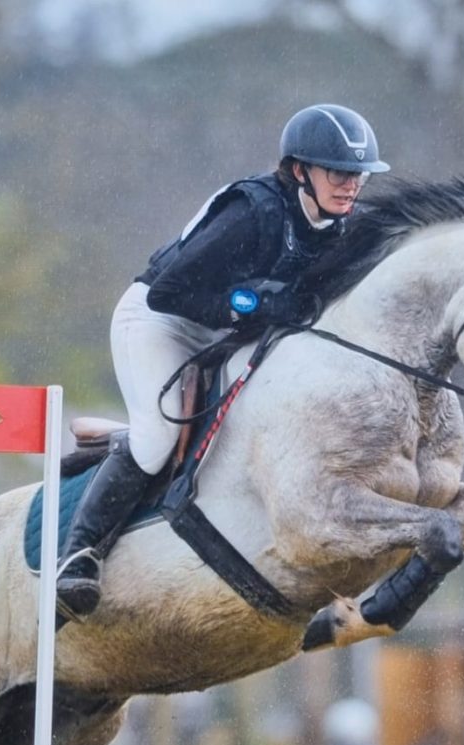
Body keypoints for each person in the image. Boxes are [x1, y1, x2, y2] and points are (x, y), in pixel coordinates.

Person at [57, 104, 391, 616]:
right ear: (300, 170)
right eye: (339, 172)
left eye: (359, 176)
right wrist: (255, 302)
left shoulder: (338, 229)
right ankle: (79, 554)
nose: (351, 185)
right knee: (160, 436)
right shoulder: (254, 210)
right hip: (159, 321)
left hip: (225, 335)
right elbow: (169, 292)